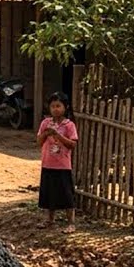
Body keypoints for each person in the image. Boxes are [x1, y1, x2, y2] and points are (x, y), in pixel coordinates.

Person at [37, 91, 79, 232]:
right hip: (48, 163)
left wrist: (58, 135)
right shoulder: (45, 123)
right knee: (49, 193)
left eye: (58, 106)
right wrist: (46, 133)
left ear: (65, 107)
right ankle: (50, 219)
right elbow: (39, 141)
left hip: (63, 165)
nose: (55, 109)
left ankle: (71, 223)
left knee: (67, 194)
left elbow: (72, 144)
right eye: (53, 106)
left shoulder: (69, 125)